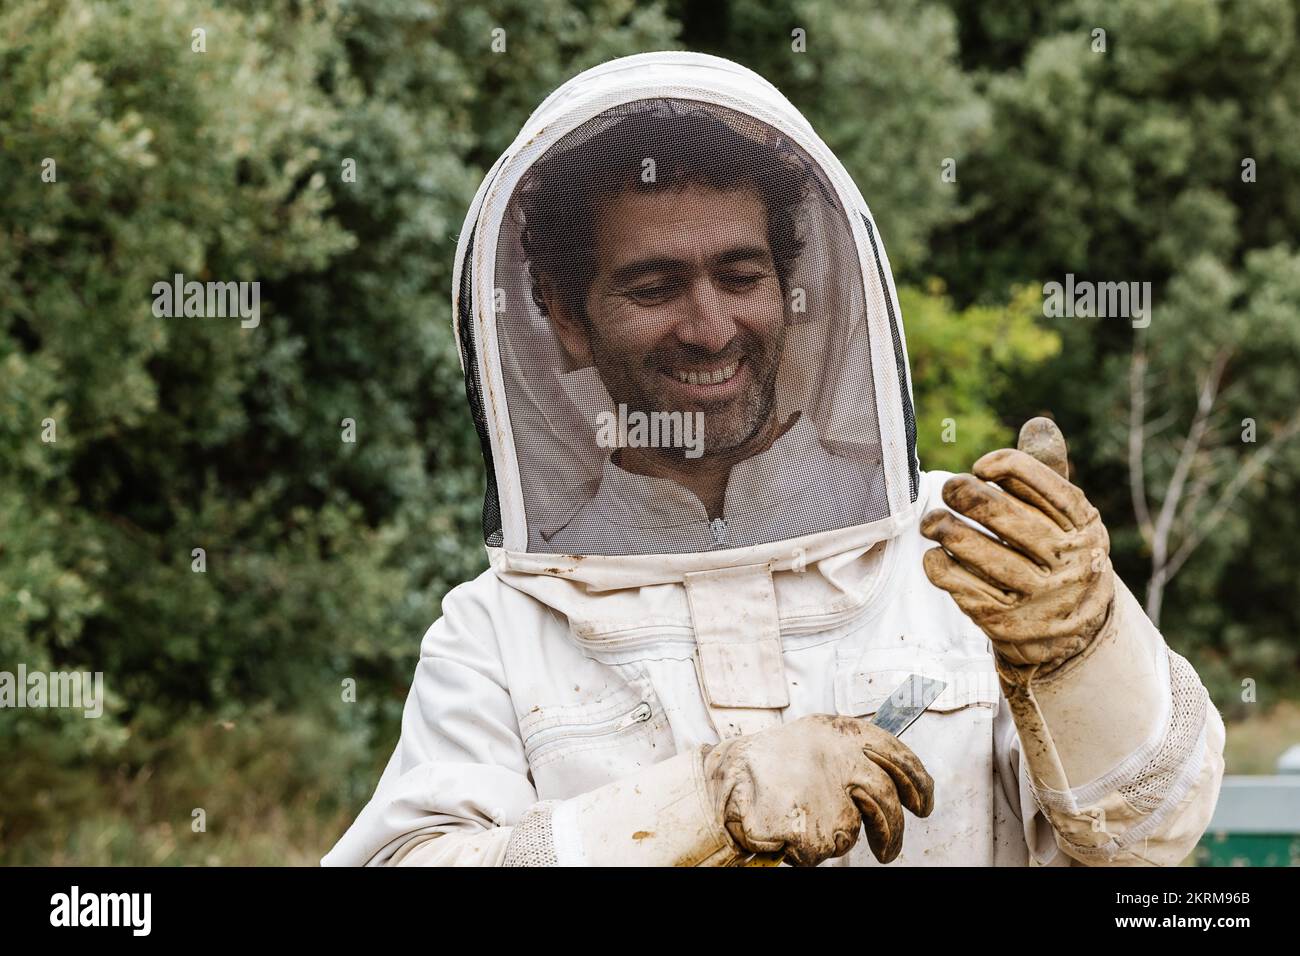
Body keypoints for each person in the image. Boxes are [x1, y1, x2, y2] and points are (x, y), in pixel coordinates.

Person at [322, 52, 1224, 867]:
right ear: (564, 314)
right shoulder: (498, 631)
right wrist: (699, 802)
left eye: (742, 275)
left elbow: (1149, 841)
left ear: (792, 287)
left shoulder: (971, 549)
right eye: (654, 285)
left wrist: (1081, 646)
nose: (711, 326)